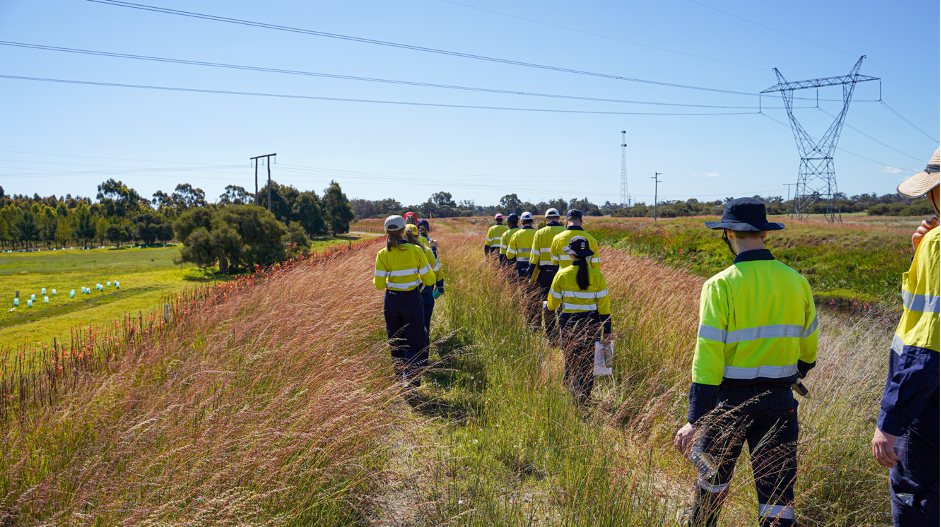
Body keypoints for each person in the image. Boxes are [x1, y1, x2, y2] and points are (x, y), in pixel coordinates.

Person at [673, 198, 818, 527]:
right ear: (764, 234)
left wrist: (695, 419)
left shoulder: (720, 285)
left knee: (712, 486)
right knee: (777, 496)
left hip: (729, 405)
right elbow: (808, 351)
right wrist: (788, 375)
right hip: (781, 402)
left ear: (727, 234)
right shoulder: (797, 281)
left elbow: (708, 358)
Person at [871, 148, 939, 526]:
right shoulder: (930, 243)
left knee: (916, 503)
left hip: (930, 414)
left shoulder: (938, 243)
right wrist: (918, 257)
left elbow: (925, 346)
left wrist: (890, 421)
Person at [373, 215, 437, 389]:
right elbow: (430, 280)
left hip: (391, 301)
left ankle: (399, 383)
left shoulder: (382, 254)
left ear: (386, 232)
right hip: (412, 299)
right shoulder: (416, 251)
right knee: (414, 341)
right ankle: (411, 384)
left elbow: (379, 285)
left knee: (396, 341)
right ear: (404, 231)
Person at [546, 236, 611, 402]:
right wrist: (608, 333)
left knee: (572, 360)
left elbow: (552, 305)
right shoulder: (598, 276)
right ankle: (585, 398)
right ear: (588, 255)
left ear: (571, 255)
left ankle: (573, 393)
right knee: (590, 364)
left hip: (569, 325)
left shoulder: (561, 275)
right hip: (593, 325)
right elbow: (604, 309)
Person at [528, 208, 566, 339]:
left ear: (546, 220)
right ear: (559, 218)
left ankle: (551, 336)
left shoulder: (539, 233)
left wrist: (531, 278)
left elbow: (534, 259)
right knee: (562, 304)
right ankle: (563, 333)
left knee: (547, 304)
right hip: (563, 273)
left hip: (545, 274)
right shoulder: (565, 232)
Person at [407, 224, 445, 348]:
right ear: (417, 236)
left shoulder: (399, 252)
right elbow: (437, 270)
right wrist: (439, 284)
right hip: (425, 293)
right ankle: (423, 361)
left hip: (406, 296)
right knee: (424, 329)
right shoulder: (426, 250)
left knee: (408, 330)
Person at [507, 212, 540, 328]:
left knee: (524, 295)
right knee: (536, 295)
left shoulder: (516, 235)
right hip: (536, 270)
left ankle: (527, 321)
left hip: (521, 269)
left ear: (521, 222)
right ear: (532, 221)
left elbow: (510, 255)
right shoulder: (537, 234)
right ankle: (537, 323)